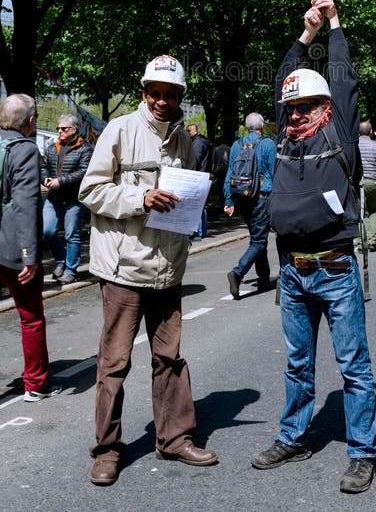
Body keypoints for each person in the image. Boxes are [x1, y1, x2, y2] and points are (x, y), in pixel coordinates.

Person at [253, 0, 376, 495]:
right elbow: (288, 70)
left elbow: (343, 76)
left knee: (353, 367)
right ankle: (293, 435)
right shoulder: (285, 134)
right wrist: (305, 32)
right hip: (292, 273)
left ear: (326, 108)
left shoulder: (340, 132)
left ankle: (364, 453)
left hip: (336, 271)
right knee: (297, 363)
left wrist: (334, 24)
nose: (298, 113)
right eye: (292, 106)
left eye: (307, 106)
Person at [79, 54, 217, 487]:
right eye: (155, 93)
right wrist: (140, 199)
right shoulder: (119, 129)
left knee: (170, 359)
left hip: (168, 269)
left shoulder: (184, 140)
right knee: (114, 364)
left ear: (180, 98)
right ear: (144, 93)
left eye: (171, 95)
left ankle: (175, 438)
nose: (162, 101)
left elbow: (186, 194)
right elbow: (91, 189)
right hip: (123, 269)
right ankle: (106, 451)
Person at [0, 94, 62, 402]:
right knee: (30, 316)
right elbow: (26, 202)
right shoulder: (24, 149)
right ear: (31, 121)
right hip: (11, 246)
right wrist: (30, 254)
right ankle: (35, 384)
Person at [224, 113, 276, 298]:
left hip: (241, 196)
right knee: (259, 240)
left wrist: (229, 200)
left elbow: (230, 172)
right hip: (261, 197)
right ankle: (237, 273)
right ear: (262, 126)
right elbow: (273, 173)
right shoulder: (268, 144)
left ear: (247, 127)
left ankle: (263, 280)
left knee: (257, 236)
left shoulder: (237, 145)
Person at [41, 114, 93, 284]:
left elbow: (84, 171)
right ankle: (61, 261)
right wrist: (46, 179)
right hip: (53, 199)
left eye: (63, 128)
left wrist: (60, 181)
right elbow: (43, 167)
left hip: (73, 200)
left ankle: (71, 270)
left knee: (72, 235)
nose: (60, 131)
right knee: (47, 231)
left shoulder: (85, 149)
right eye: (58, 128)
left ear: (74, 130)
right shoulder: (52, 147)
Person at [358, 121, 376, 251]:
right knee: (373, 211)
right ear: (370, 132)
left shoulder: (353, 146)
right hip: (373, 182)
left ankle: (360, 241)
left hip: (357, 182)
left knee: (359, 212)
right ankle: (372, 240)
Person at [185, 123, 212, 238]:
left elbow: (195, 160)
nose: (187, 134)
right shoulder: (204, 141)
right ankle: (202, 231)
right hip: (204, 175)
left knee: (197, 205)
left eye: (188, 131)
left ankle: (198, 232)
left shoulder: (197, 143)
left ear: (194, 131)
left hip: (198, 176)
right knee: (202, 205)